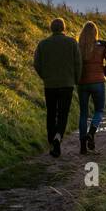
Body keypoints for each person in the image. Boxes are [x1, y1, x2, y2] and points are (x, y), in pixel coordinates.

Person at [33, 17, 82, 157]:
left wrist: (45, 76)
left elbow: (37, 64)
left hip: (50, 85)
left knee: (51, 113)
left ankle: (51, 140)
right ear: (63, 28)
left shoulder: (43, 44)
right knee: (63, 113)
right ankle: (58, 137)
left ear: (51, 28)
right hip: (67, 84)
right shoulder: (72, 43)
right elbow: (78, 63)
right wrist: (76, 80)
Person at [76, 20, 106, 154]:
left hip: (82, 83)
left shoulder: (78, 47)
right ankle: (92, 132)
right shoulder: (101, 45)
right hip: (98, 82)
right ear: (95, 33)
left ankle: (83, 147)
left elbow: (75, 64)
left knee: (83, 113)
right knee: (99, 110)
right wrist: (104, 73)